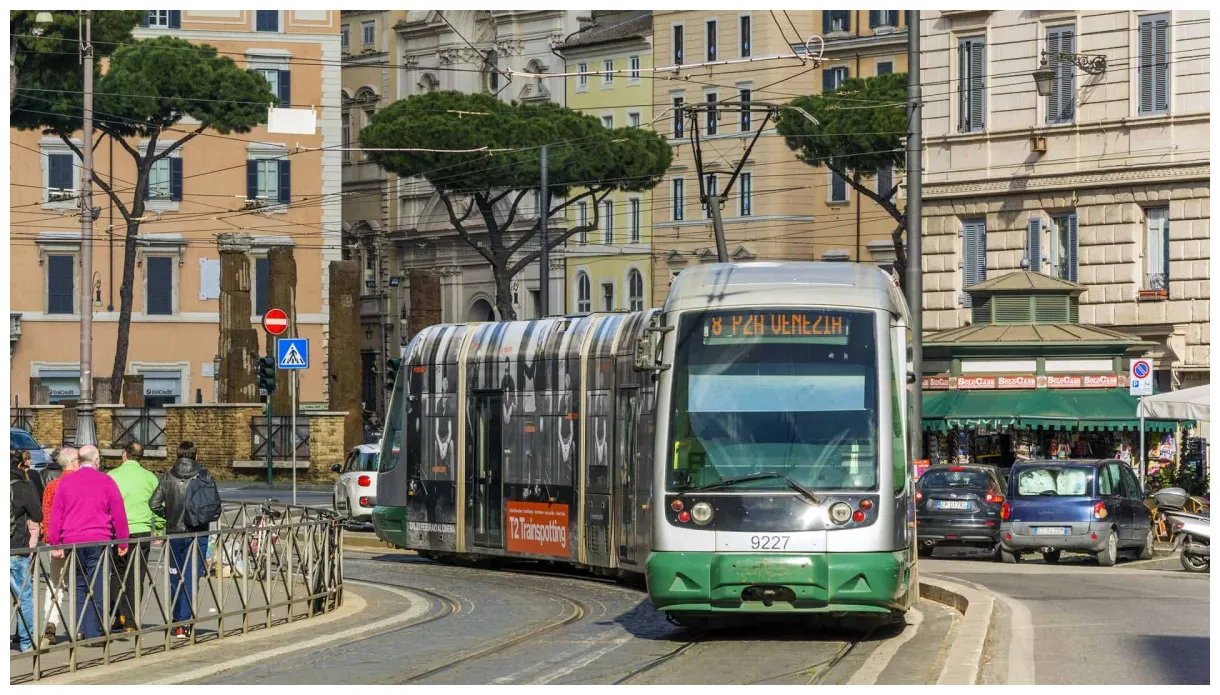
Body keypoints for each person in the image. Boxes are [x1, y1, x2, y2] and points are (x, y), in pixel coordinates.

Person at [46, 445, 130, 641]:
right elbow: (118, 513)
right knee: (97, 584)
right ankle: (93, 632)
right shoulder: (106, 481)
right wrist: (123, 541)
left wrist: (55, 543)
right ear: (96, 460)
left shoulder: (65, 483)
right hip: (98, 539)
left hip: (72, 540)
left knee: (78, 585)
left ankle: (79, 629)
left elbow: (56, 515)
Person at [150, 441, 219, 640]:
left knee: (174, 576)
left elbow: (153, 503)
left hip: (174, 533)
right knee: (191, 577)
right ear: (195, 456)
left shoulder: (167, 477)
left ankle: (176, 621)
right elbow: (213, 505)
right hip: (197, 532)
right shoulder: (204, 475)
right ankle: (185, 623)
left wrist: (169, 514)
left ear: (178, 456)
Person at [107, 441, 163, 632]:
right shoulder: (150, 478)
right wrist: (160, 528)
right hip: (141, 530)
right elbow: (158, 505)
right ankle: (131, 620)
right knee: (136, 576)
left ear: (124, 455)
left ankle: (117, 615)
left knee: (117, 573)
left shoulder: (111, 476)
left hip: (117, 531)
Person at [38, 446, 79, 648]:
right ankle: (82, 624)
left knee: (55, 584)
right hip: (81, 540)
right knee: (81, 584)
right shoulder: (83, 484)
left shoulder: (52, 485)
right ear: (74, 463)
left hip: (59, 542)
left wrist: (53, 541)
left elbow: (47, 516)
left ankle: (50, 624)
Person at [10, 451, 44, 652]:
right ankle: (26, 643)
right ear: (21, 467)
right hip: (15, 549)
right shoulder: (24, 486)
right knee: (24, 597)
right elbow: (37, 515)